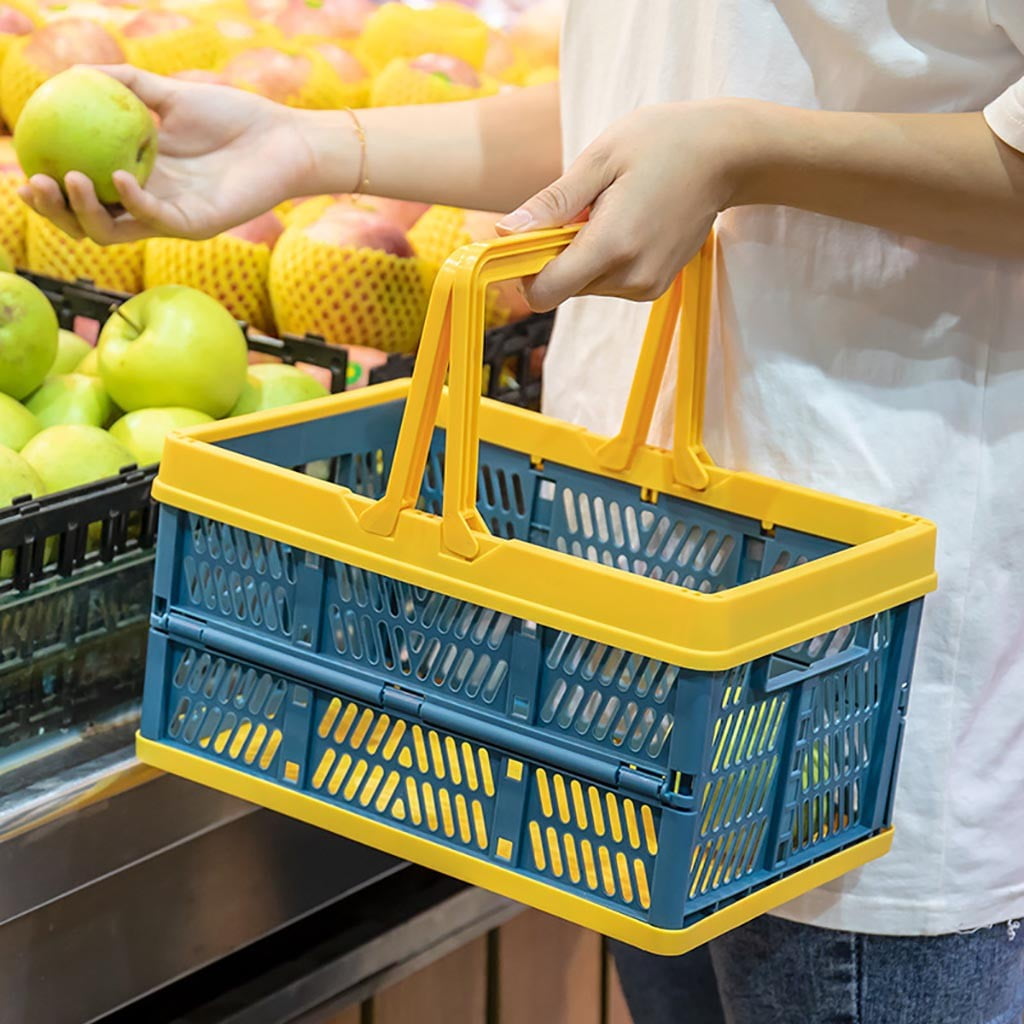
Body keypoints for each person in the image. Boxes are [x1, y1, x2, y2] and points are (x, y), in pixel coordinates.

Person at [22, 3, 1024, 1020]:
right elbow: (641, 100)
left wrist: (742, 154)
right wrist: (310, 143)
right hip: (630, 657)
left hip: (857, 698)